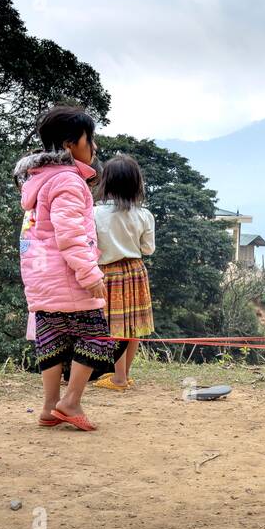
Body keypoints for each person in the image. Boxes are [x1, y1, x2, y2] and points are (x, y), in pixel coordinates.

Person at [15, 106, 113, 431]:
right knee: (96, 334)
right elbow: (71, 235)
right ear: (71, 144)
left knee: (51, 337)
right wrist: (90, 274)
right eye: (91, 139)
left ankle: (48, 407)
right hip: (69, 276)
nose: (95, 147)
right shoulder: (68, 182)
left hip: (40, 278)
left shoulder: (38, 181)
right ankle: (70, 402)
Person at [90, 154, 156, 391]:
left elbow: (90, 246)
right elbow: (148, 249)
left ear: (105, 182)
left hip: (107, 273)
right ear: (135, 184)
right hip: (135, 271)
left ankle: (118, 378)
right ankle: (125, 375)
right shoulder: (144, 215)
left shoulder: (94, 213)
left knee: (114, 325)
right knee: (132, 325)